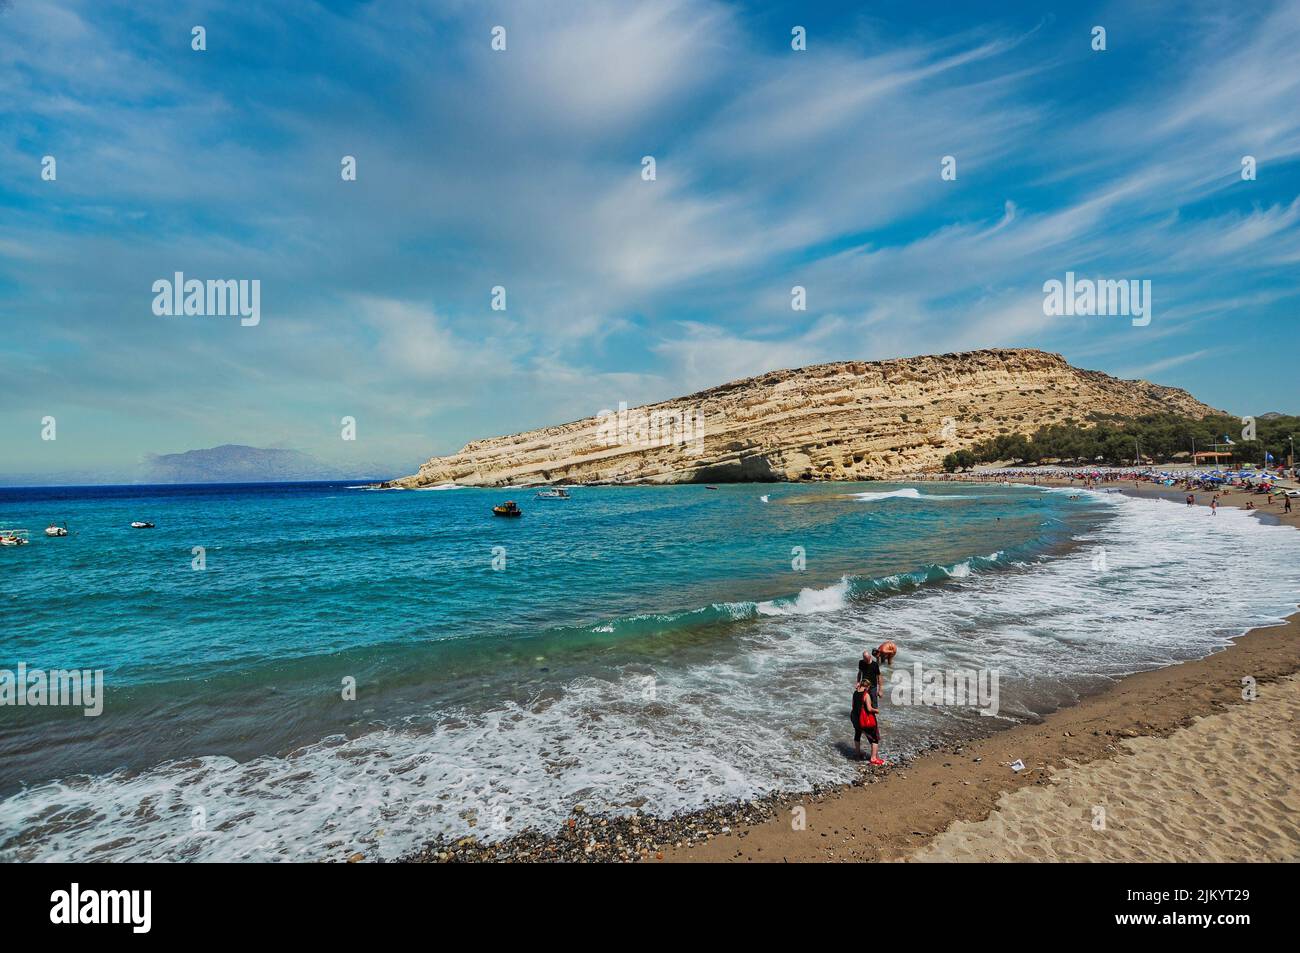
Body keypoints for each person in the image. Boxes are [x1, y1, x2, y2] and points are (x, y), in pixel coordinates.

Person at [850, 680, 881, 763]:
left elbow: (854, 705)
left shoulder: (855, 693)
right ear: (867, 686)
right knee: (874, 738)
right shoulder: (866, 695)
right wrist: (876, 710)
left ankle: (857, 754)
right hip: (864, 720)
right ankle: (873, 758)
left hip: (855, 719)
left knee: (857, 735)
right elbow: (869, 709)